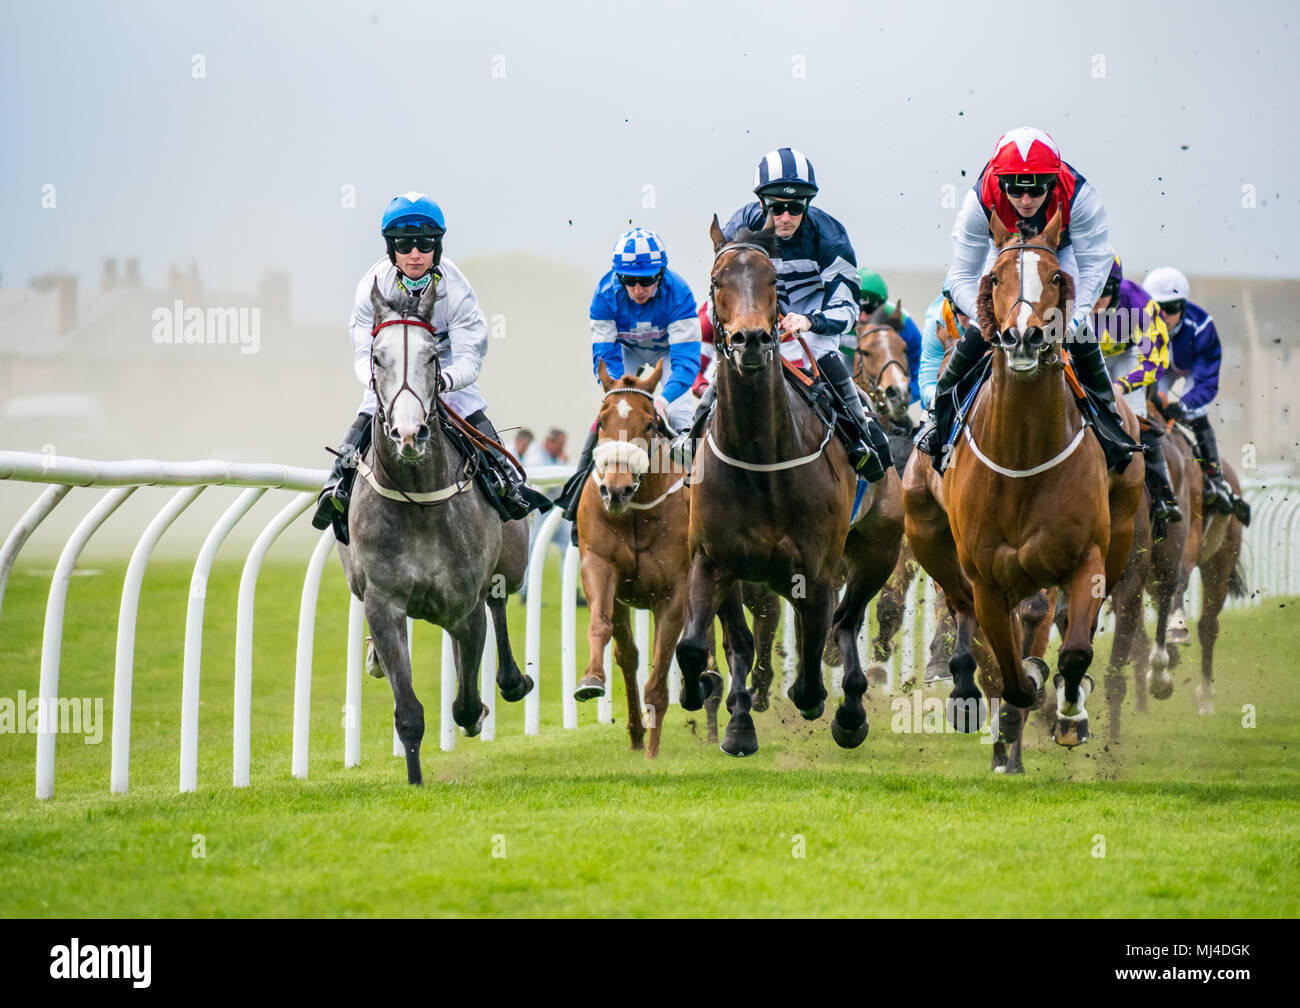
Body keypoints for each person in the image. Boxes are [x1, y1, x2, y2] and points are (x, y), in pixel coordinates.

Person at [311, 192, 549, 541]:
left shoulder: (456, 287)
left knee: (469, 405)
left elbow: (470, 359)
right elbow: (362, 357)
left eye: (424, 244)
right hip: (392, 369)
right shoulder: (371, 287)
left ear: (438, 245)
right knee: (368, 409)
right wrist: (381, 383)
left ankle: (505, 481)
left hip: (443, 361)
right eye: (405, 245)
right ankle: (338, 484)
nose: (415, 254)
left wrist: (441, 380)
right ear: (391, 248)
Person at [916, 127, 1139, 471]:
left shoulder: (1080, 196)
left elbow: (1096, 265)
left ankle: (1110, 423)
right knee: (980, 330)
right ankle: (935, 418)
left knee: (1078, 335)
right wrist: (988, 316)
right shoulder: (980, 199)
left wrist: (1071, 320)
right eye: (1015, 189)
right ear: (999, 182)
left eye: (1036, 188)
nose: (1025, 200)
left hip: (1059, 254)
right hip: (1002, 248)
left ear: (1054, 180)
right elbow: (961, 275)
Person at [673, 147, 888, 480]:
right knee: (725, 371)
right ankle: (691, 439)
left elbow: (847, 307)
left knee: (825, 356)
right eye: (777, 208)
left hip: (813, 320)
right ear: (762, 203)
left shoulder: (830, 236)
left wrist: (810, 321)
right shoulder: (739, 226)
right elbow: (724, 284)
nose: (785, 218)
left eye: (795, 208)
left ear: (808, 205)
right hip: (760, 316)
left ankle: (861, 437)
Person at [555, 227, 701, 531]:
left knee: (677, 414)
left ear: (661, 274)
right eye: (629, 280)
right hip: (628, 353)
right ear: (617, 277)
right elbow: (604, 357)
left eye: (647, 280)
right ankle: (576, 499)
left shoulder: (680, 293)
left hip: (669, 353)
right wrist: (617, 392)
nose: (638, 289)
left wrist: (661, 400)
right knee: (613, 417)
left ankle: (704, 502)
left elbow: (686, 363)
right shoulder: (604, 295)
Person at [1142, 266, 1249, 522]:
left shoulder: (1202, 328)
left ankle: (1216, 479)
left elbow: (1206, 383)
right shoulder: (1140, 325)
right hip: (1160, 368)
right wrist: (1157, 396)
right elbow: (1143, 369)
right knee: (1149, 405)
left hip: (1191, 370)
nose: (1165, 315)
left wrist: (1184, 406)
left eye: (1172, 308)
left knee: (1196, 413)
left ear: (1184, 306)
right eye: (1158, 308)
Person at [1094, 256, 1181, 523]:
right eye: (1092, 289)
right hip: (1089, 353)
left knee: (1134, 414)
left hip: (1125, 354)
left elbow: (1156, 361)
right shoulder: (1067, 297)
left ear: (1118, 287)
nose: (1098, 299)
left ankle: (1162, 494)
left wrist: (1123, 384)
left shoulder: (1142, 305)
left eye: (1106, 290)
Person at [848, 268, 923, 408]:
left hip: (883, 382)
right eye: (858, 309)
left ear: (882, 306)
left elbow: (921, 373)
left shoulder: (904, 324)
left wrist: (898, 399)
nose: (863, 317)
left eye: (870, 309)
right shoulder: (836, 317)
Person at [917, 284, 970, 411]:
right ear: (952, 306)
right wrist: (937, 401)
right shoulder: (938, 318)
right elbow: (929, 379)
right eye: (962, 308)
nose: (973, 315)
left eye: (978, 306)